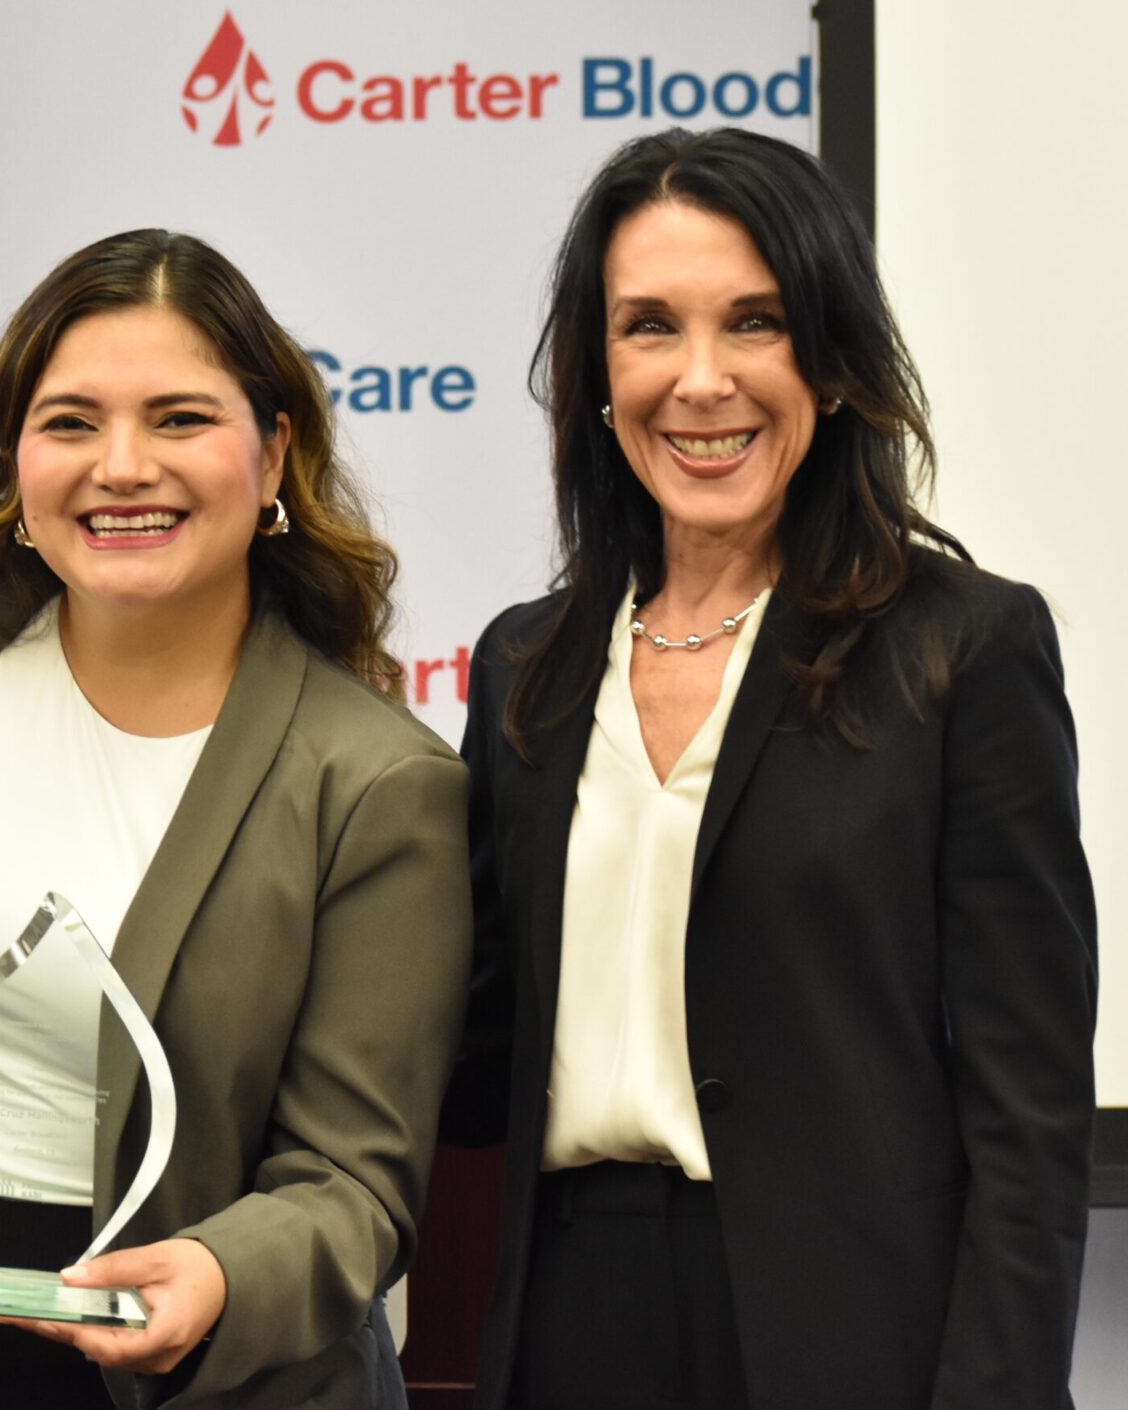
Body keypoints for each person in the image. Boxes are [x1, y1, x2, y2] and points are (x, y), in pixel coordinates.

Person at [441, 128, 1097, 1410]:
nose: (700, 381)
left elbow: (1027, 1112)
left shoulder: (961, 648)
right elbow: (467, 1054)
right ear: (594, 372)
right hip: (568, 1324)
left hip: (851, 1339)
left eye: (755, 322)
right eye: (647, 327)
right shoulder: (524, 665)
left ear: (832, 362)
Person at [0, 229, 470, 1409]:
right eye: (70, 422)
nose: (122, 465)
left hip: (176, 1378)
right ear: (17, 455)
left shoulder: (373, 783)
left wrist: (220, 1272)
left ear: (272, 453)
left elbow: (354, 1186)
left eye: (179, 419)